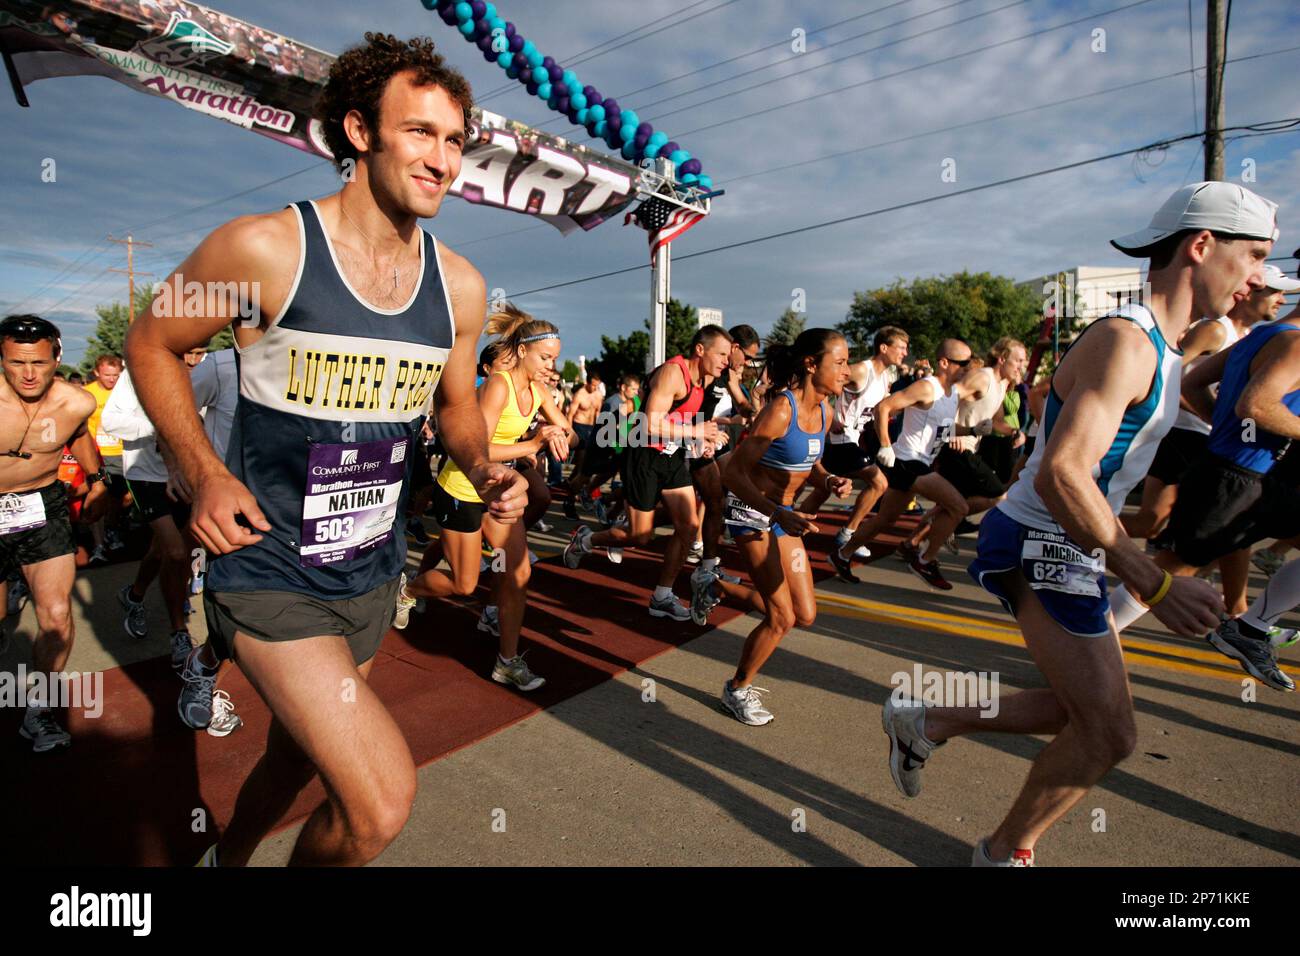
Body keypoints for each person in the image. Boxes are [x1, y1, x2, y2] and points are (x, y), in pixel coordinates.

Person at [124, 33, 526, 867]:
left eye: (456, 140)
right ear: (358, 131)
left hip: (372, 570)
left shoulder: (459, 287)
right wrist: (202, 472)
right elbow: (153, 342)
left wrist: (485, 466)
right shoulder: (264, 250)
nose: (443, 159)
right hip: (269, 569)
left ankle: (227, 856)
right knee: (379, 803)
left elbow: (456, 409)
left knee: (300, 756)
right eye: (419, 132)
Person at [883, 181, 1274, 866]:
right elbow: (1060, 474)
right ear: (1202, 245)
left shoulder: (1165, 348)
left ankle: (928, 720)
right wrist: (1155, 585)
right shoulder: (1126, 341)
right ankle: (1004, 852)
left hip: (1070, 542)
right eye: (1253, 256)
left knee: (1077, 712)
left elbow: (1124, 447)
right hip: (1043, 539)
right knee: (1111, 732)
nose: (1259, 278)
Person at [1106, 277, 1300, 690]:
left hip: (1247, 474)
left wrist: (1225, 428)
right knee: (1164, 574)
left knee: (1174, 566)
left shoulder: (1265, 335)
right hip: (1235, 478)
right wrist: (1235, 431)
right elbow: (1257, 406)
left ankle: (1250, 627)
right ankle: (1086, 643)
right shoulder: (1294, 343)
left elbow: (1193, 383)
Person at [396, 304, 571, 691]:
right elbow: (478, 450)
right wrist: (532, 442)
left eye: (555, 359)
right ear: (523, 351)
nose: (550, 365)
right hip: (461, 489)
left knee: (519, 572)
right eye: (545, 357)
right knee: (463, 584)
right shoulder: (498, 385)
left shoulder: (539, 390)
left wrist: (557, 433)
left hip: (498, 495)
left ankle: (507, 662)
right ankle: (407, 589)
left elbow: (568, 431)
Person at [693, 330, 851, 724]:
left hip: (782, 515)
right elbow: (732, 473)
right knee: (782, 617)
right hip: (751, 511)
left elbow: (807, 460)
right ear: (812, 365)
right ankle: (737, 689)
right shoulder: (782, 409)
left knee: (806, 615)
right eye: (841, 362)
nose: (847, 372)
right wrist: (776, 512)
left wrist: (827, 480)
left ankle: (713, 585)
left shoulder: (826, 411)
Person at [563, 326, 732, 621]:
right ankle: (586, 540)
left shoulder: (705, 380)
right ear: (700, 350)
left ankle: (662, 596)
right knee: (640, 536)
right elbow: (651, 425)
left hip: (673, 457)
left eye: (728, 356)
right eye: (721, 354)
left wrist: (704, 439)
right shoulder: (673, 373)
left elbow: (688, 419)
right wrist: (695, 431)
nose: (726, 361)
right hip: (644, 456)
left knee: (688, 526)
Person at [0, 315, 107, 752]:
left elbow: (79, 435)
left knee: (57, 617)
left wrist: (99, 479)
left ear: (57, 358)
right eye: (16, 363)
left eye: (39, 363)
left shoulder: (76, 403)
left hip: (42, 507)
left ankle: (38, 709)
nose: (28, 374)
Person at [830, 338, 990, 590]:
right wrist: (884, 445)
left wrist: (971, 429)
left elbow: (943, 428)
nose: (968, 368)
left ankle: (842, 554)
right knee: (957, 507)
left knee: (885, 520)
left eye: (970, 363)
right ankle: (924, 559)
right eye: (963, 363)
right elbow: (884, 407)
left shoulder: (951, 394)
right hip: (907, 461)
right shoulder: (927, 388)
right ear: (944, 363)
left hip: (919, 462)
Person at [798, 326, 907, 559]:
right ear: (884, 347)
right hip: (839, 441)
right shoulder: (860, 371)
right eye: (901, 347)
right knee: (879, 483)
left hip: (852, 440)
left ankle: (789, 533)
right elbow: (822, 384)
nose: (905, 353)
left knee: (822, 490)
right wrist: (830, 414)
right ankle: (848, 534)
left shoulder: (885, 377)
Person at [688, 324, 760, 577]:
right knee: (703, 502)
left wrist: (755, 413)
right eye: (748, 357)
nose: (749, 363)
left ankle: (708, 564)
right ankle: (628, 514)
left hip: (710, 439)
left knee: (719, 497)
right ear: (735, 348)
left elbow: (741, 403)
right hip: (688, 437)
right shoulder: (707, 368)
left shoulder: (728, 373)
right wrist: (700, 432)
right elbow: (686, 406)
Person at [82, 353, 127, 564]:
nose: (112, 379)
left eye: (116, 375)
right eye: (107, 375)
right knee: (98, 497)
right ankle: (99, 545)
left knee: (122, 498)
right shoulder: (86, 394)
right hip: (96, 455)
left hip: (122, 452)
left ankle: (112, 528)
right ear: (97, 372)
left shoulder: (126, 392)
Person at [562, 374, 603, 518]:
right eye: (592, 385)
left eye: (597, 385)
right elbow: (571, 414)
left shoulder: (598, 395)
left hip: (591, 429)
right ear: (587, 382)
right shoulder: (580, 394)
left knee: (583, 465)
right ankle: (570, 497)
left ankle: (568, 484)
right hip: (578, 428)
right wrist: (568, 431)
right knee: (581, 465)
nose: (594, 388)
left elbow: (598, 413)